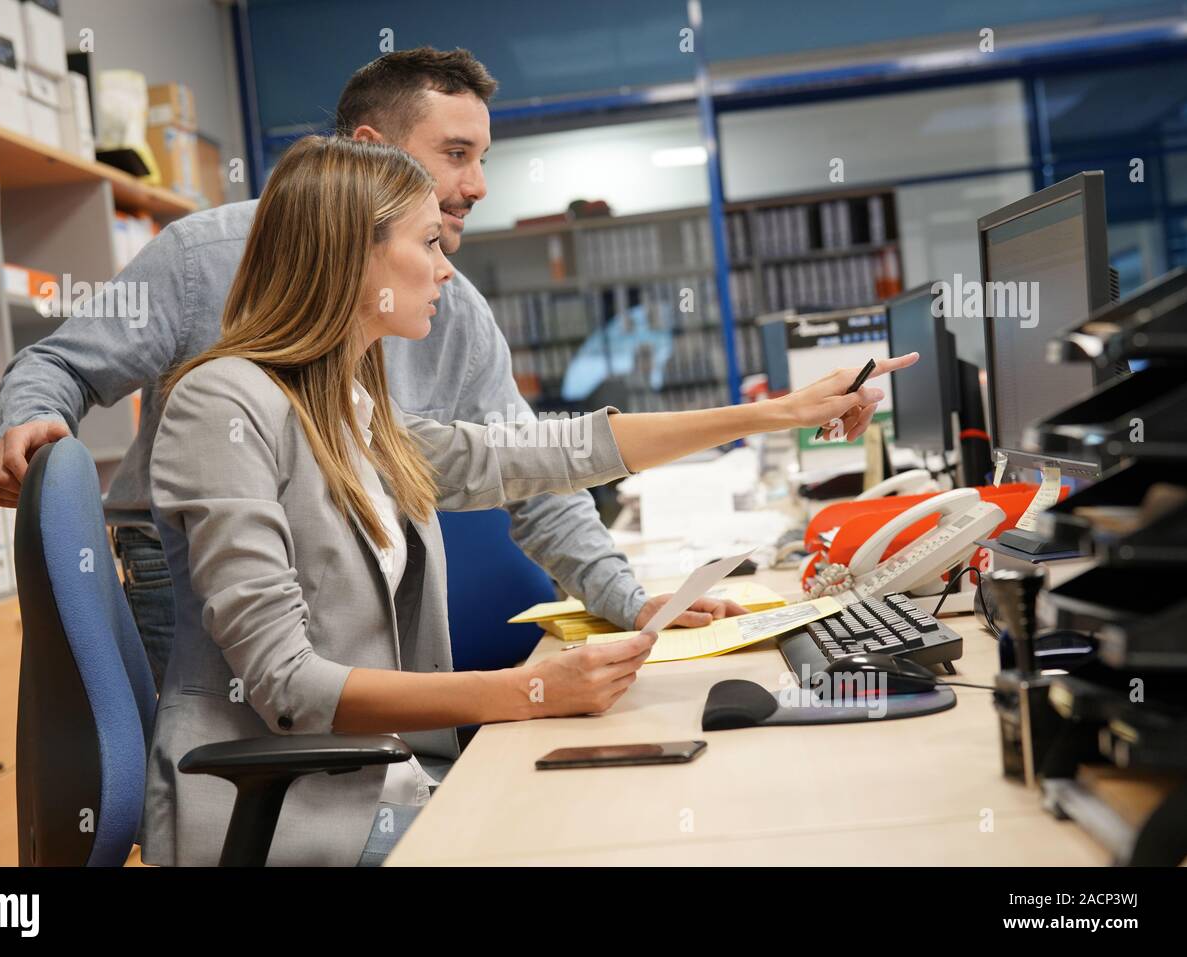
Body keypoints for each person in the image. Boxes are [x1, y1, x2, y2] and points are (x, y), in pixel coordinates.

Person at [140, 135, 918, 866]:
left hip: (389, 782)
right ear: (354, 257)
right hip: (298, 820)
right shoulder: (223, 405)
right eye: (427, 244)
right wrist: (535, 690)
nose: (446, 269)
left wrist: (776, 410)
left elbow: (549, 451)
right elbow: (286, 685)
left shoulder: (349, 408)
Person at [0, 47, 743, 691]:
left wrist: (632, 599)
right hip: (192, 578)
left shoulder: (452, 306)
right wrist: (31, 415)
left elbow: (530, 471)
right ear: (367, 149)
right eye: (456, 155)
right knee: (238, 780)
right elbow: (60, 364)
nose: (478, 186)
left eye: (483, 159)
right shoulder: (204, 259)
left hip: (356, 575)